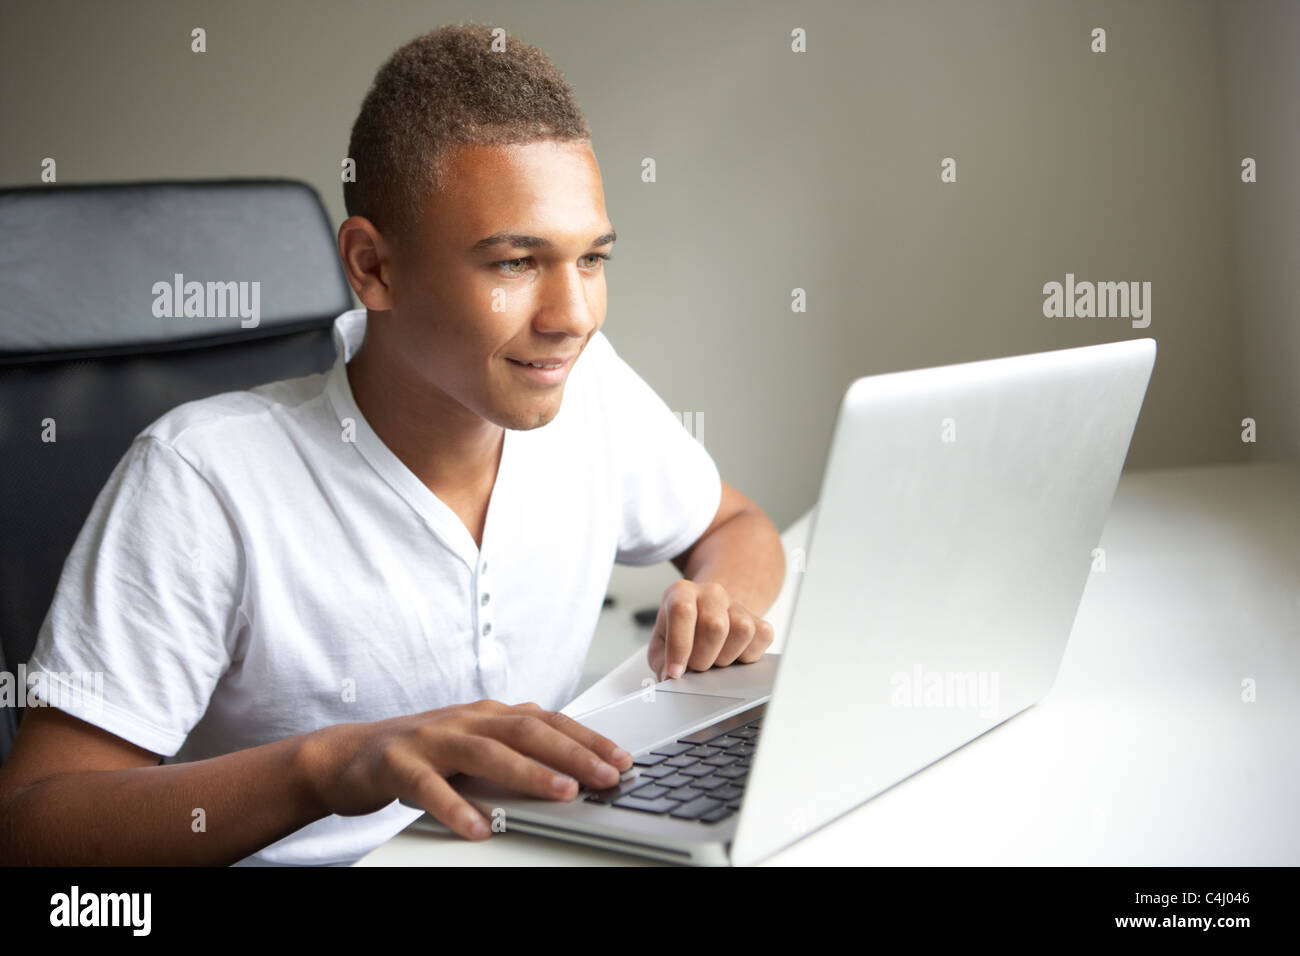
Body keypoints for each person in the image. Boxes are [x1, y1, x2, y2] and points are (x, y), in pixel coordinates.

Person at [0, 24, 784, 866]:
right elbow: (37, 824)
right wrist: (327, 766)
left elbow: (734, 526)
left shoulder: (587, 390)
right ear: (372, 267)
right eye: (516, 262)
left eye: (590, 258)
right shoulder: (201, 480)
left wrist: (720, 600)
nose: (575, 317)